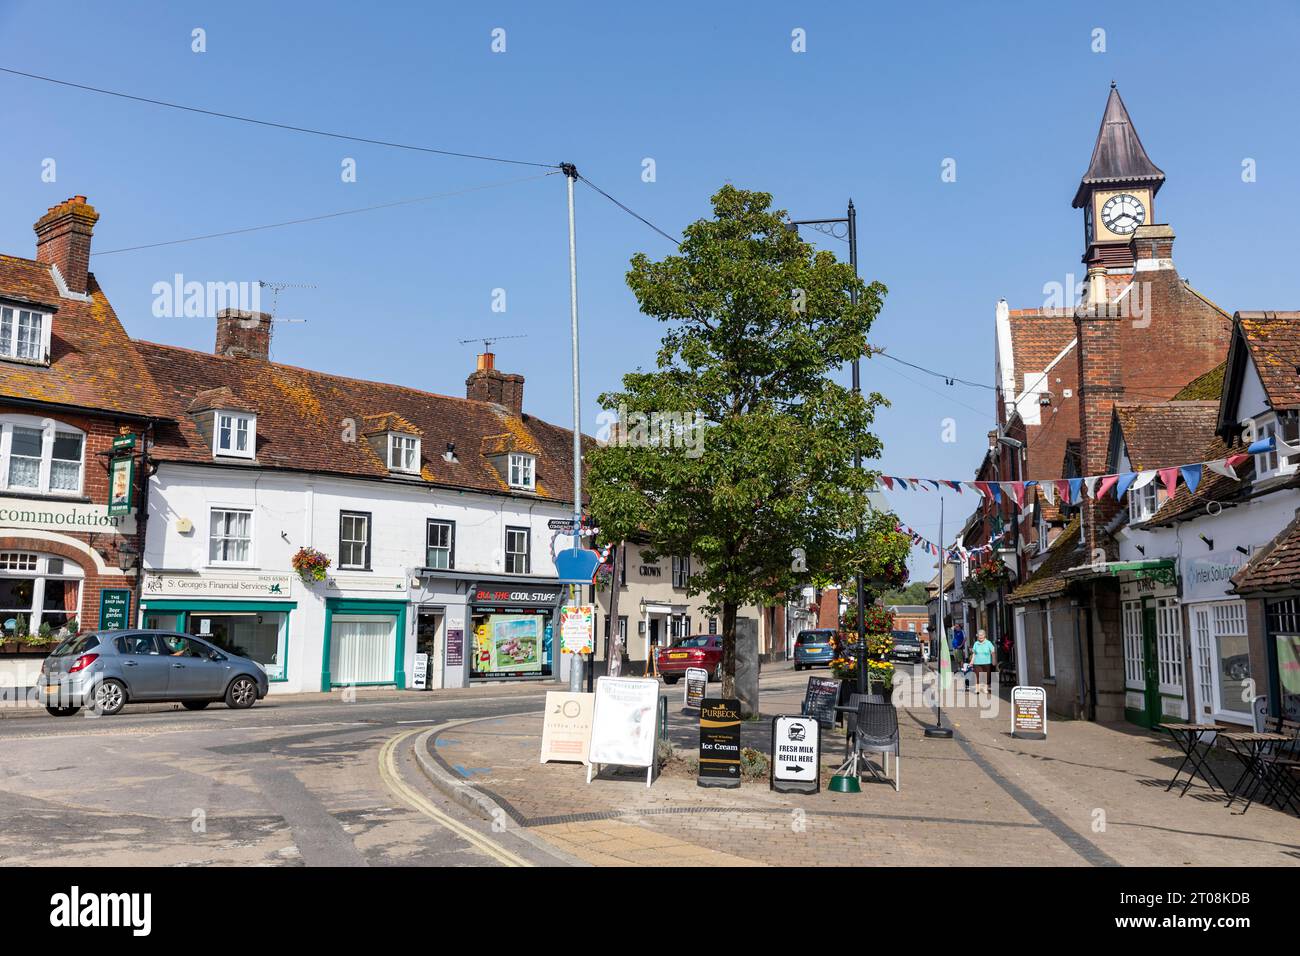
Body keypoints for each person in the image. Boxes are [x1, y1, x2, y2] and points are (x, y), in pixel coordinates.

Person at [971, 629, 995, 694]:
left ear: (984, 635)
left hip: (987, 662)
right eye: (979, 635)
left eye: (982, 635)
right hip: (977, 663)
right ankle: (977, 689)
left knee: (986, 676)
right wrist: (971, 661)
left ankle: (985, 689)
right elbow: (974, 653)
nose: (980, 636)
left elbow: (993, 652)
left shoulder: (988, 643)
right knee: (977, 676)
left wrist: (994, 660)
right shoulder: (976, 643)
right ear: (977, 636)